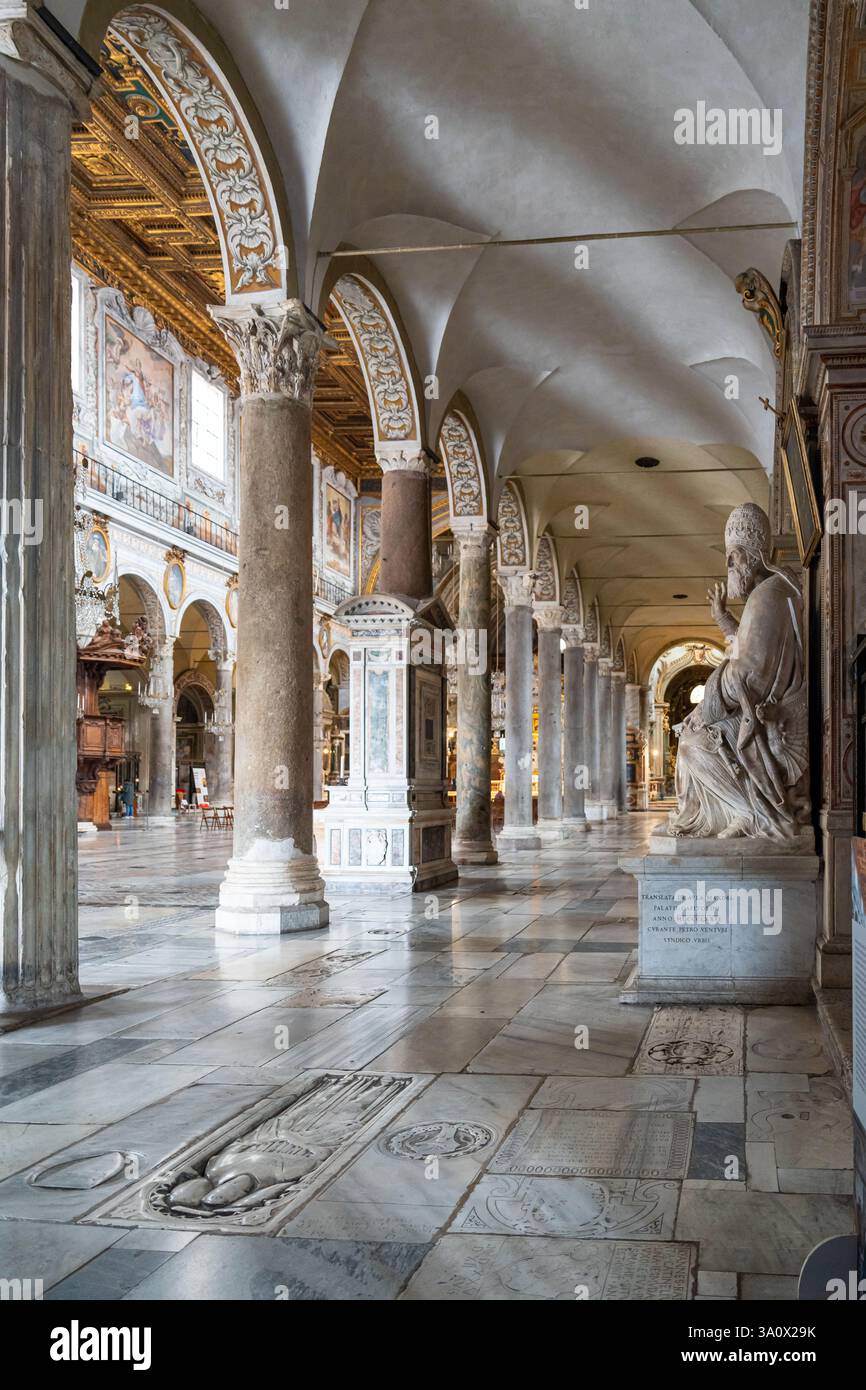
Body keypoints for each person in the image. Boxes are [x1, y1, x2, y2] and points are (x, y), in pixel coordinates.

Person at [667, 502, 809, 843]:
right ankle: (726, 813)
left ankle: (751, 814)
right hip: (758, 715)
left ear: (758, 555)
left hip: (770, 723)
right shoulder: (772, 592)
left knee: (692, 746)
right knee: (691, 739)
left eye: (736, 554)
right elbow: (747, 655)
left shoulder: (768, 596)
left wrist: (705, 708)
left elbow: (750, 677)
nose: (729, 563)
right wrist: (724, 620)